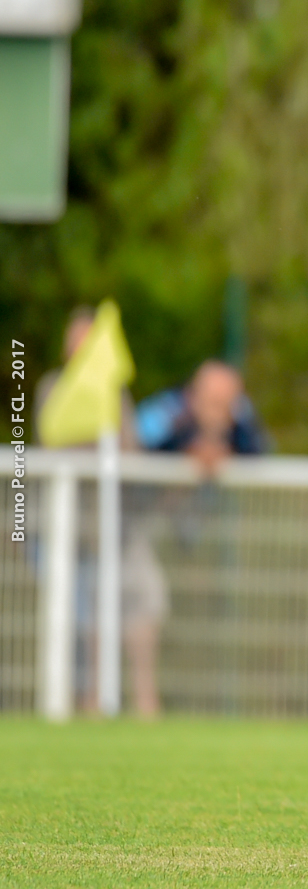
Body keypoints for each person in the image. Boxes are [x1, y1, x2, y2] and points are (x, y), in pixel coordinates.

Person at [36, 307, 166, 717]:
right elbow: (45, 446)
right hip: (70, 530)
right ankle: (83, 701)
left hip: (118, 526)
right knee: (81, 618)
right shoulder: (49, 387)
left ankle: (145, 701)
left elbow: (130, 452)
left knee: (145, 601)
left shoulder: (116, 394)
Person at [136, 360, 271, 477]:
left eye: (224, 403)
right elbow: (137, 445)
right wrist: (186, 451)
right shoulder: (167, 411)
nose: (217, 413)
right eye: (213, 402)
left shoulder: (243, 415)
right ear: (193, 395)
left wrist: (229, 454)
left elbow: (259, 450)